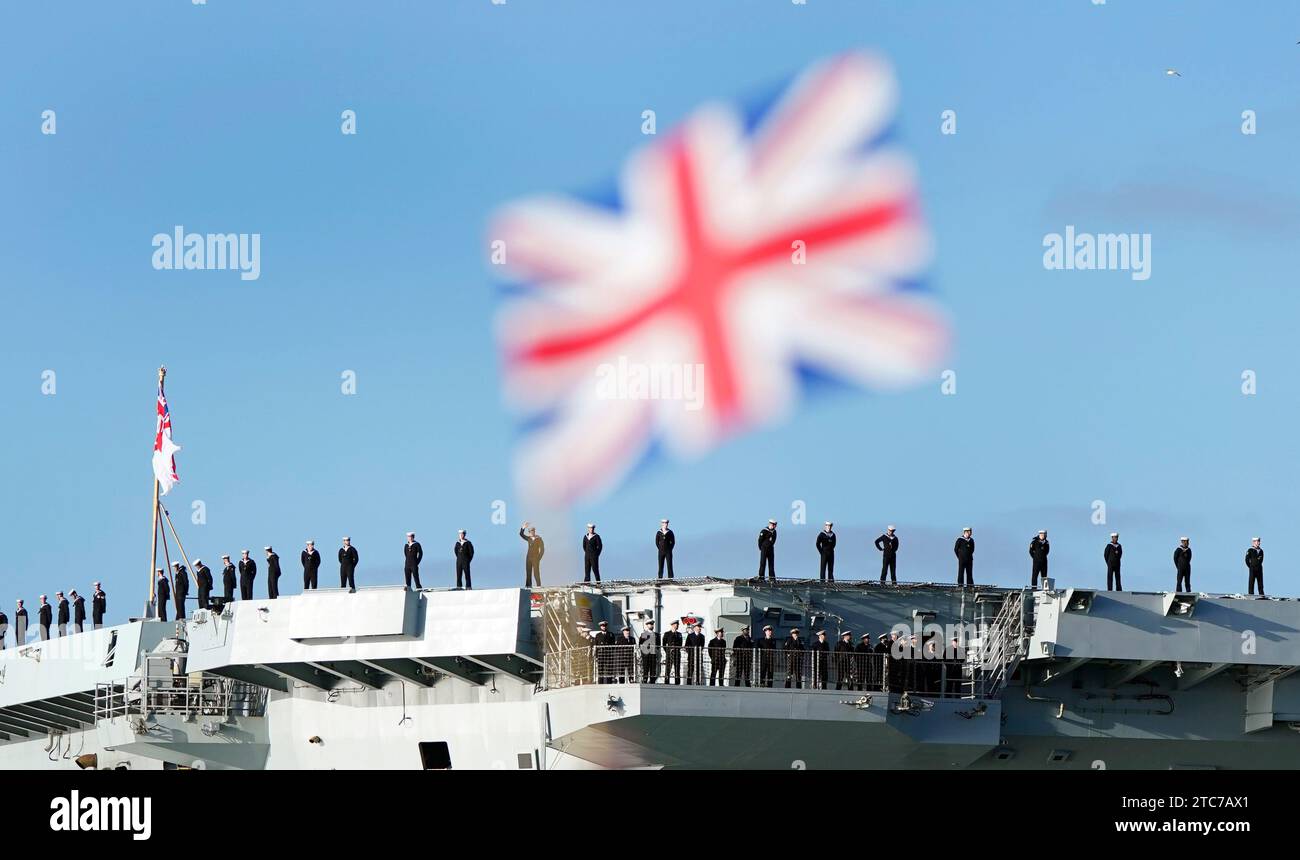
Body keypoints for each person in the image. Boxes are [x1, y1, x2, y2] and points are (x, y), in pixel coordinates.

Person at [662, 619, 683, 684]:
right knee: (668, 668)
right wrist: (668, 651)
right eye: (677, 624)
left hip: (677, 653)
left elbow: (680, 644)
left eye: (678, 624)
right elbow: (664, 644)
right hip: (669, 653)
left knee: (677, 668)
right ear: (673, 625)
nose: (678, 626)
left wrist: (677, 649)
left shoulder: (679, 634)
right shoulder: (667, 634)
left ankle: (677, 682)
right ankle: (666, 681)